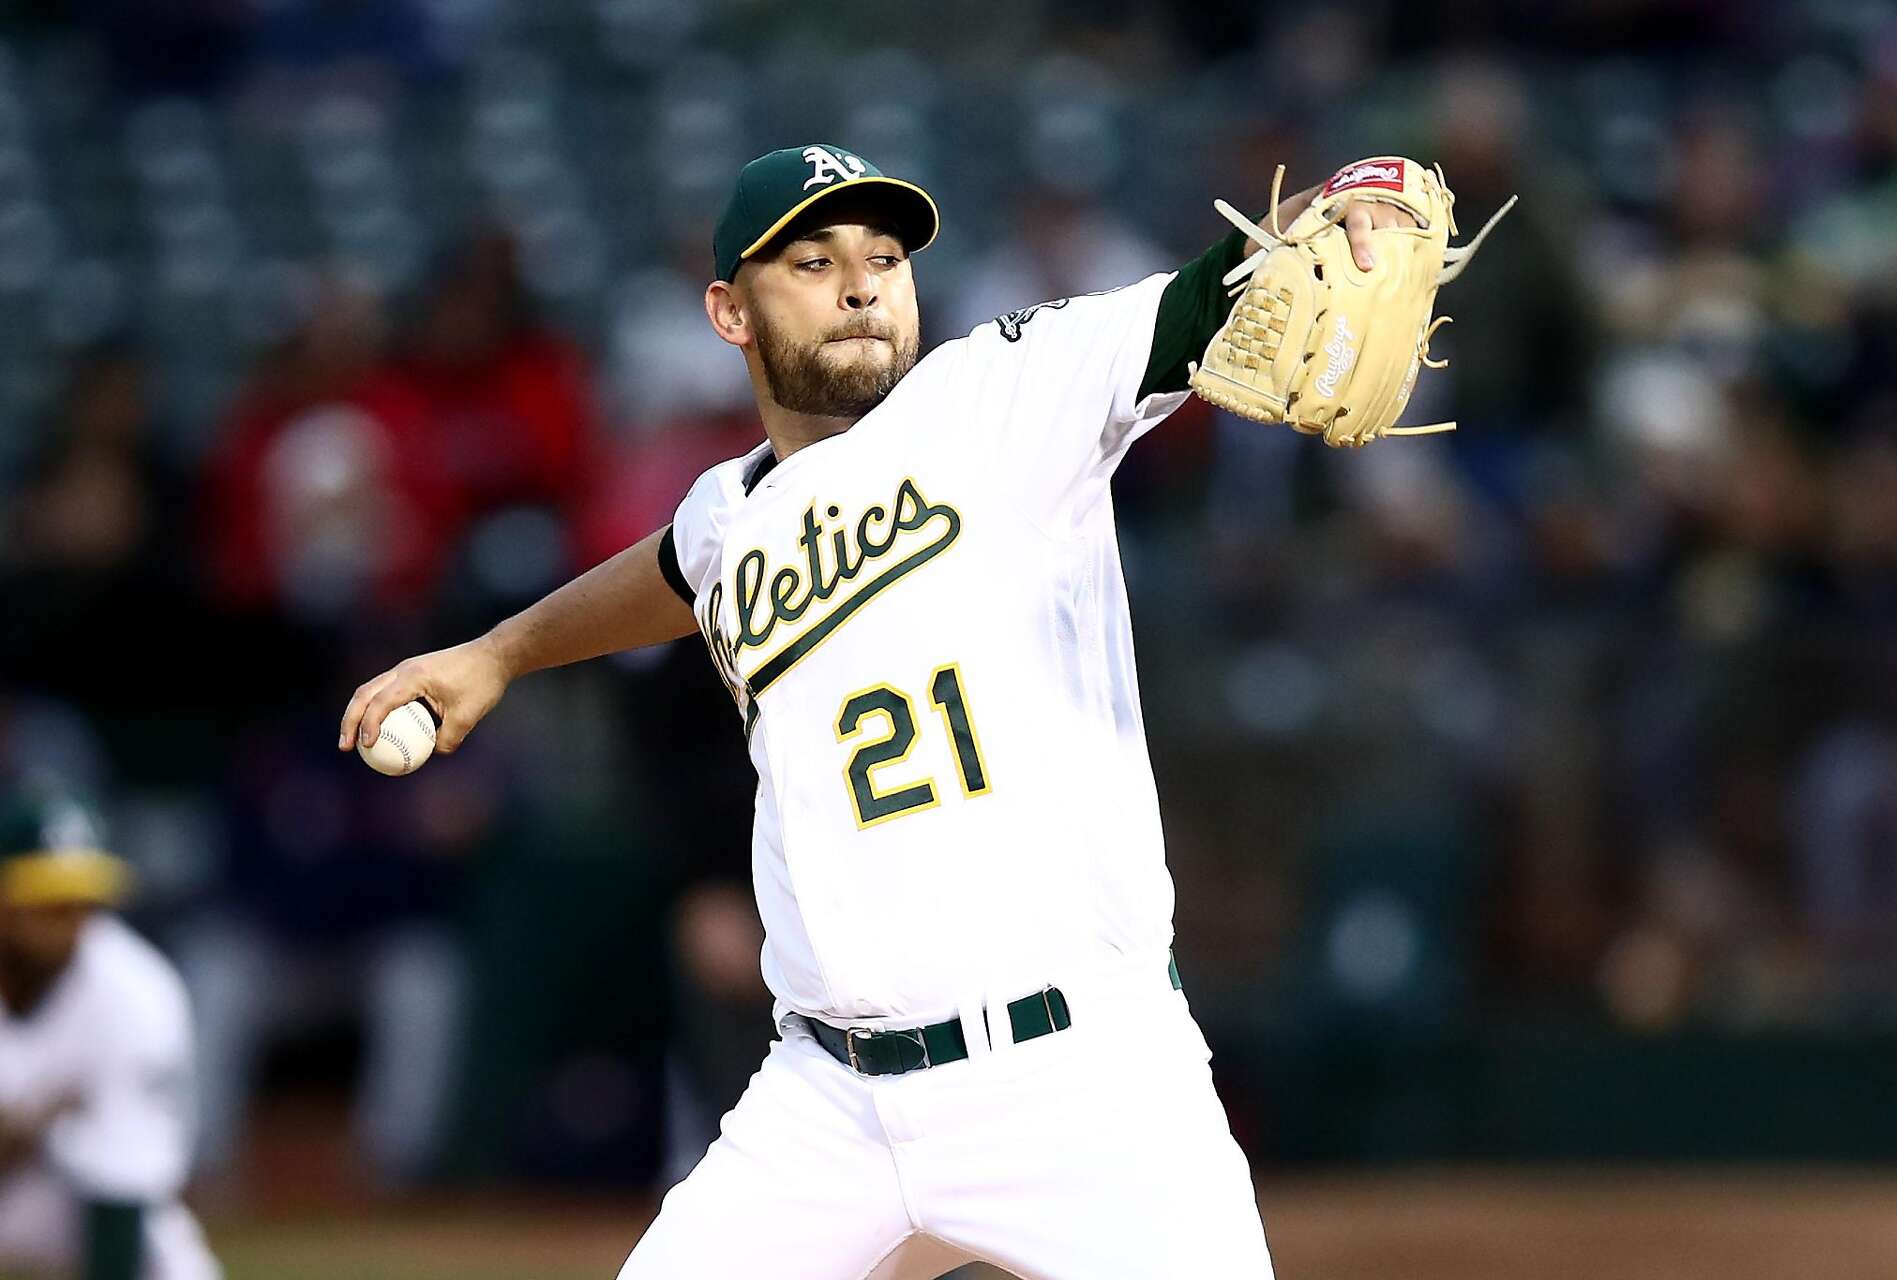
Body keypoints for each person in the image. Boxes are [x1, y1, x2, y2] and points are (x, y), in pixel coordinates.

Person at [340, 142, 1417, 1278]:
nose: (861, 283)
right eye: (812, 260)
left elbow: (1204, 295)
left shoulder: (1004, 395)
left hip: (1079, 1072)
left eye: (885, 255)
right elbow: (672, 570)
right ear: (728, 312)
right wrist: (499, 652)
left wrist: (1352, 201)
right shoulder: (727, 513)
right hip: (827, 1099)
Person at [0, 778, 220, 1280]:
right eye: (48, 904)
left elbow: (121, 1195)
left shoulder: (136, 998)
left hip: (76, 1201)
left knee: (164, 1254)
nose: (72, 924)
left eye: (81, 902)